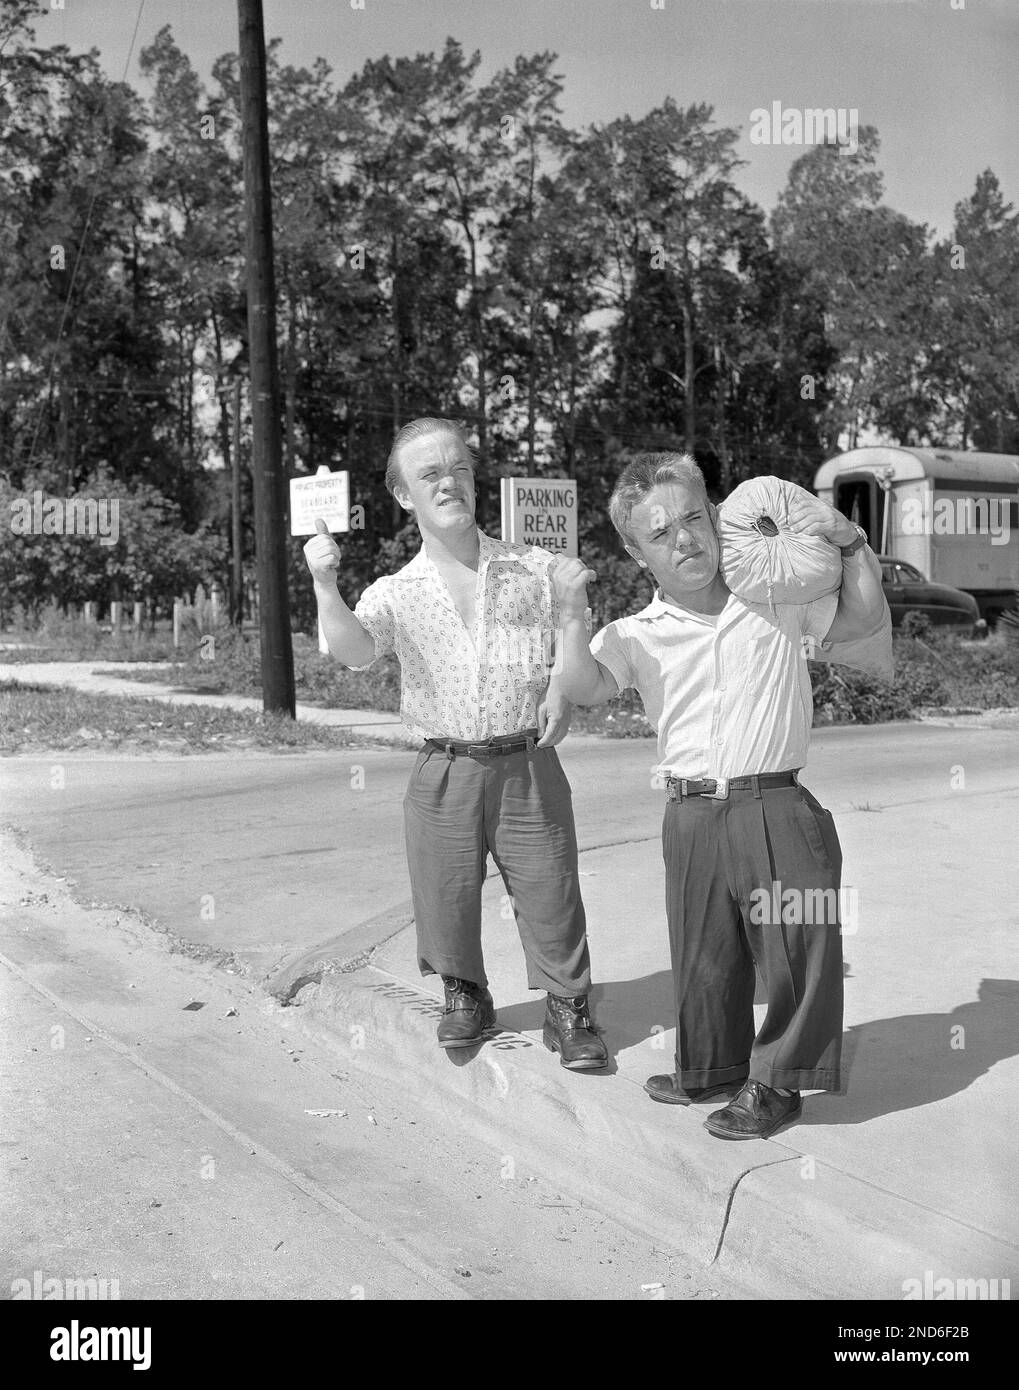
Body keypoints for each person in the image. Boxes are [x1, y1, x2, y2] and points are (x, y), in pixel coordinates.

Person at [552, 452, 889, 1137]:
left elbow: (860, 617)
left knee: (798, 946)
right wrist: (569, 614)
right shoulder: (634, 634)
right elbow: (584, 687)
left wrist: (847, 538)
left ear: (712, 515)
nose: (683, 539)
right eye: (658, 533)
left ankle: (779, 1083)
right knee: (705, 953)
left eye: (691, 517)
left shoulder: (776, 598)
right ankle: (711, 1069)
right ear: (636, 552)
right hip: (689, 811)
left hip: (775, 804)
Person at [302, 417, 607, 1070]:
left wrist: (560, 680)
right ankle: (462, 996)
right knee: (442, 890)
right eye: (429, 474)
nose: (449, 482)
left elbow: (572, 657)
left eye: (460, 468)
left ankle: (568, 1009)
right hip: (443, 766)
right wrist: (325, 585)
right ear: (403, 496)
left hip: (527, 761)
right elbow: (353, 651)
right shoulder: (395, 590)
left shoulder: (534, 568)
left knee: (551, 887)